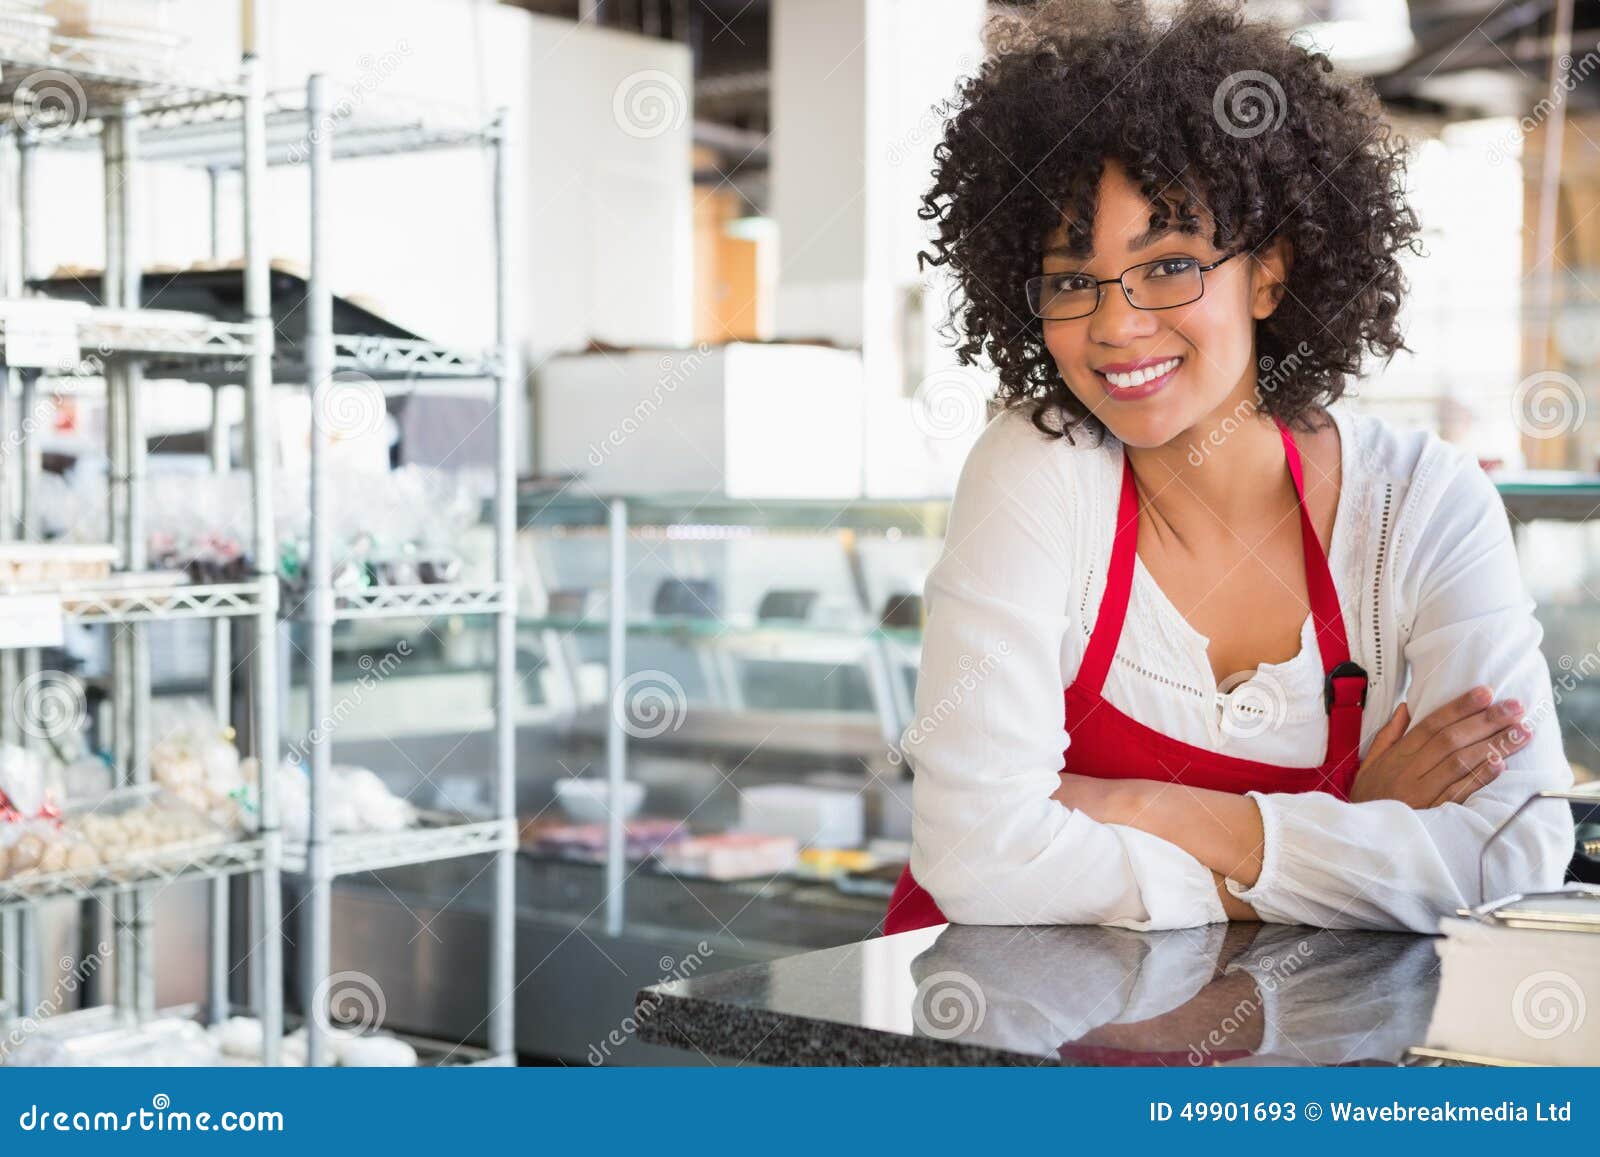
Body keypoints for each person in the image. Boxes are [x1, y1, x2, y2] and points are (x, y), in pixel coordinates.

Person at [884, 0, 1576, 934]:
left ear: (1269, 271)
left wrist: (1136, 805)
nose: (1115, 324)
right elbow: (976, 860)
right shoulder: (1037, 468)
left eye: (1169, 264)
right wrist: (1355, 841)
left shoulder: (1424, 504)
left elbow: (1511, 858)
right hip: (994, 1044)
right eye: (1072, 278)